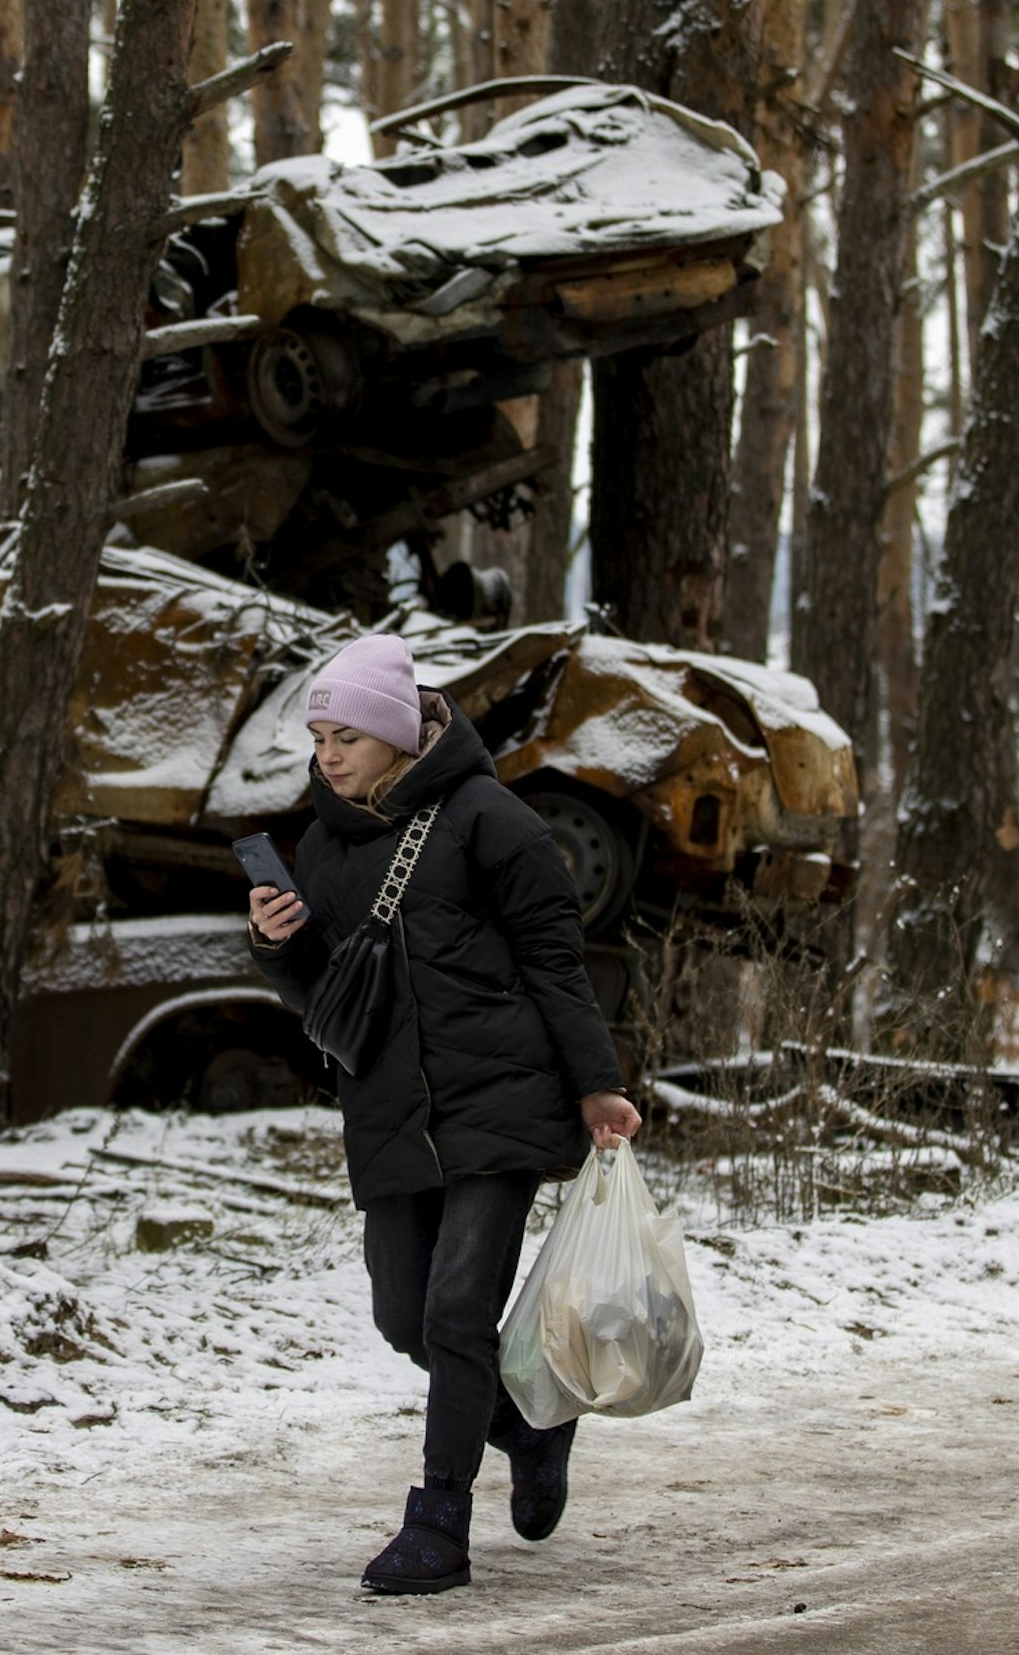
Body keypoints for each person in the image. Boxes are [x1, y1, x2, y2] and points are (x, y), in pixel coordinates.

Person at [246, 631, 641, 1596]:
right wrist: (276, 949)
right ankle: (530, 1429)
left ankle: (439, 1524)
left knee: (459, 1311)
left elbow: (557, 962)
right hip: (388, 1107)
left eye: (347, 735)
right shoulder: (325, 849)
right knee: (403, 1318)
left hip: (497, 1099)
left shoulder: (490, 819)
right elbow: (332, 1000)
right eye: (321, 736)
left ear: (394, 733)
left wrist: (596, 1084)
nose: (329, 753)